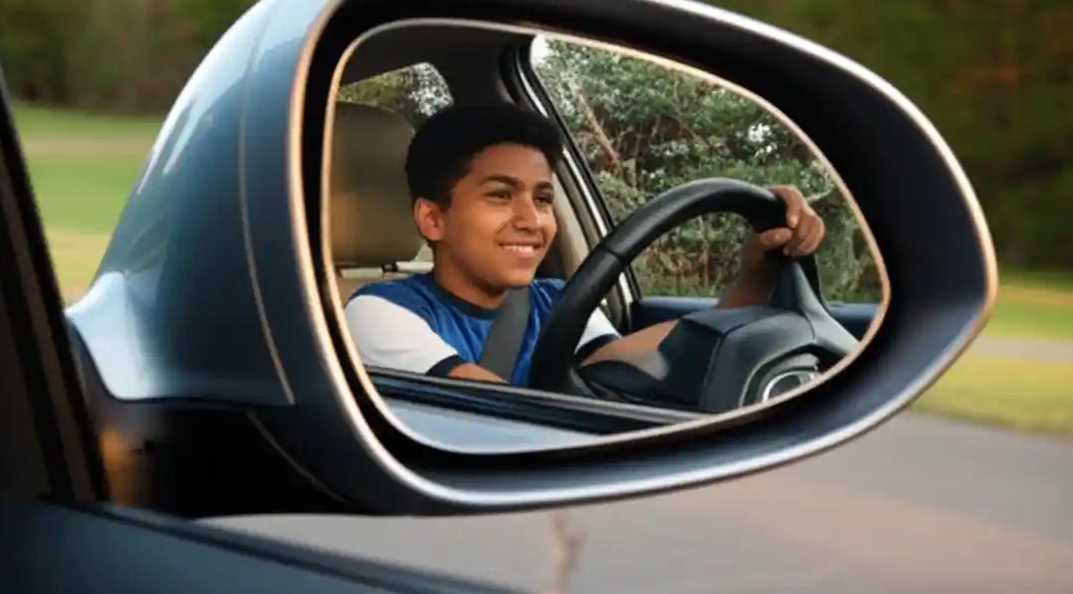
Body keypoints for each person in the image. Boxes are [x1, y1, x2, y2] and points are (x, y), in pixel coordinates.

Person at [343, 104, 826, 386]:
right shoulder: (376, 313)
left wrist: (759, 269)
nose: (531, 220)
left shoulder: (557, 300)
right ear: (433, 217)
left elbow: (661, 356)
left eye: (543, 197)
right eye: (500, 195)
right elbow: (509, 419)